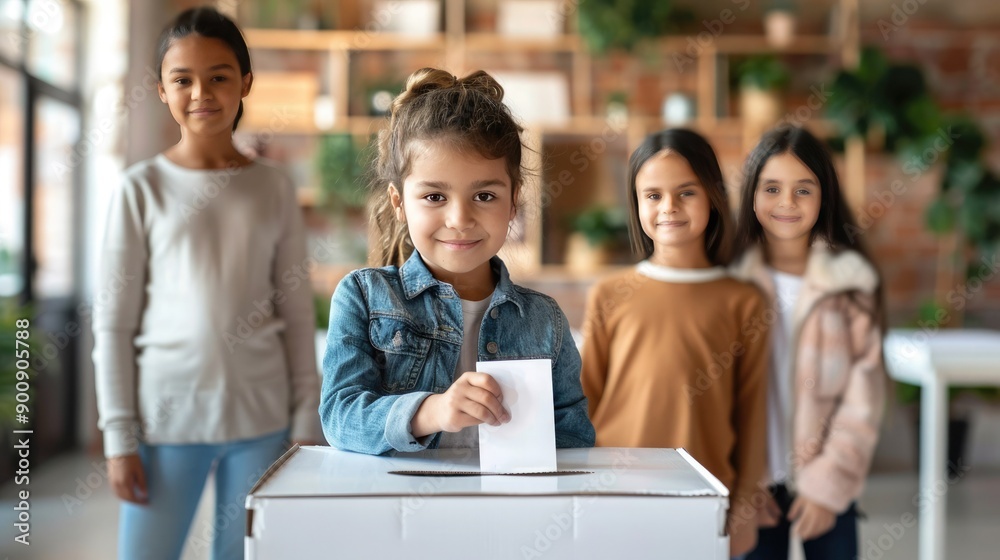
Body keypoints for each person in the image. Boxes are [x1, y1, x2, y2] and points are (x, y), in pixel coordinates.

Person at [92, 8, 322, 559]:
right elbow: (114, 324)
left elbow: (296, 314)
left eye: (219, 76)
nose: (202, 93)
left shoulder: (273, 188)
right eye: (183, 79)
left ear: (245, 83)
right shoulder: (138, 189)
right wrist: (119, 438)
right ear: (161, 90)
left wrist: (304, 418)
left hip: (262, 424)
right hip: (163, 423)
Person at [319, 67, 594, 454]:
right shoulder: (362, 297)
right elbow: (340, 417)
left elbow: (574, 439)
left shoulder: (544, 320)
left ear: (514, 201)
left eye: (484, 196)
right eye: (434, 197)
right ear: (399, 203)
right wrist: (432, 411)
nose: (460, 220)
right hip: (396, 510)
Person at [580, 128, 769, 558]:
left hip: (705, 497)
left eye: (686, 192)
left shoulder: (744, 301)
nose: (668, 207)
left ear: (713, 196)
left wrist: (744, 508)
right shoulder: (609, 294)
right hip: (614, 495)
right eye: (653, 195)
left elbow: (753, 413)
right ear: (636, 203)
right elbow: (584, 401)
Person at [731, 125, 886, 559]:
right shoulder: (729, 283)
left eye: (803, 190)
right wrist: (744, 484)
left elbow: (864, 399)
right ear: (752, 195)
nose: (786, 203)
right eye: (772, 188)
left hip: (828, 480)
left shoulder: (848, 284)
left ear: (825, 196)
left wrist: (826, 487)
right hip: (752, 486)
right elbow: (715, 396)